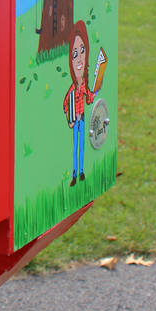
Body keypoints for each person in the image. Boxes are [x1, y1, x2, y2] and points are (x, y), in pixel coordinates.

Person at [63, 20, 95, 186]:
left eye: (82, 51)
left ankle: (81, 171)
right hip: (75, 121)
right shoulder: (73, 89)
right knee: (75, 146)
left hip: (82, 118)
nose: (80, 58)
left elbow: (89, 98)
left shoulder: (84, 85)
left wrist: (93, 94)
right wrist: (69, 120)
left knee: (82, 145)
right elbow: (66, 104)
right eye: (75, 54)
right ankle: (74, 173)